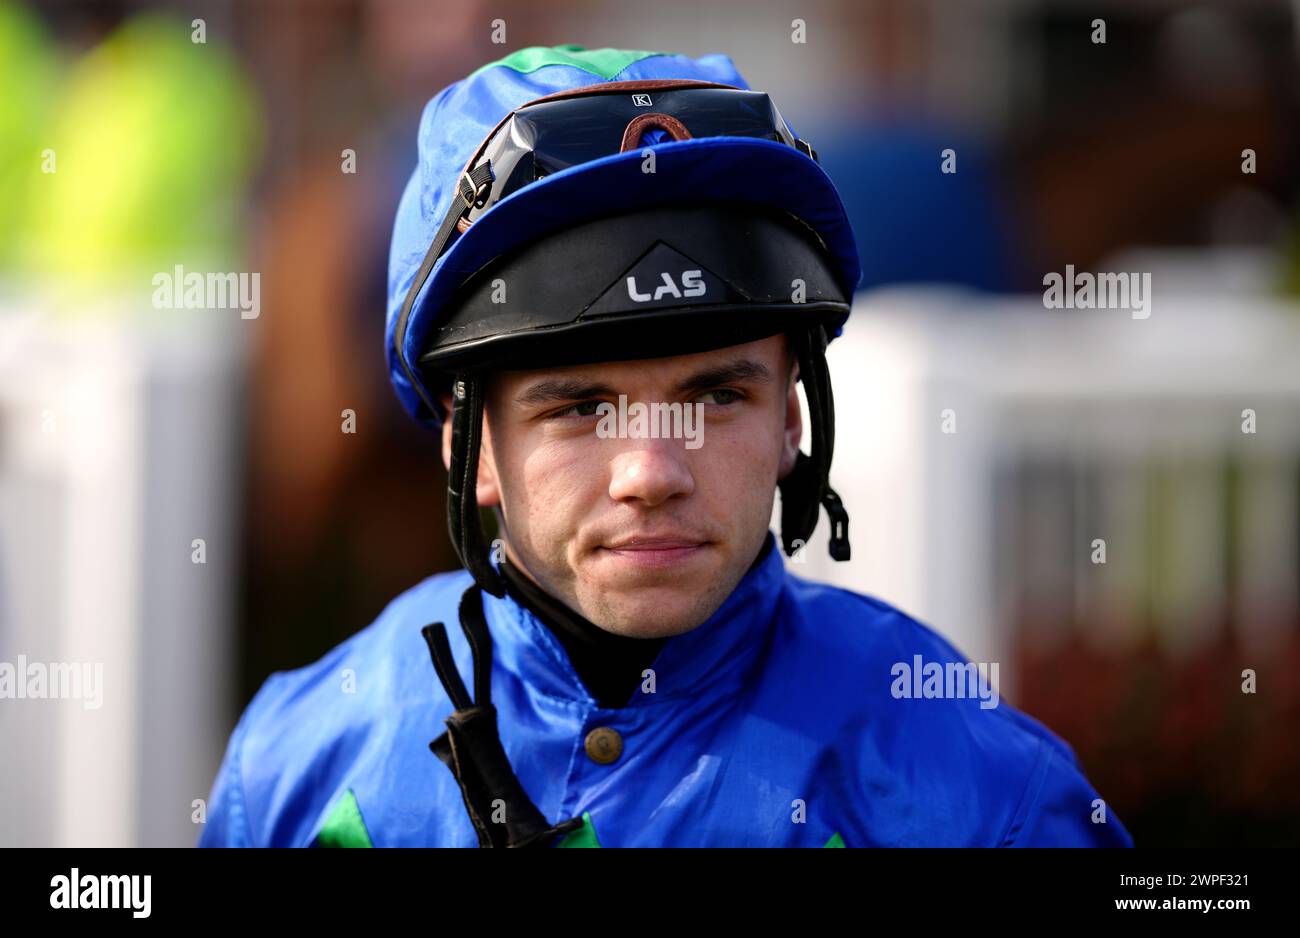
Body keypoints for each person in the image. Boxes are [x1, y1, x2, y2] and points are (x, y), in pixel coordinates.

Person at [199, 44, 1133, 848]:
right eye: (579, 409)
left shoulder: (985, 799)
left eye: (718, 396)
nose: (651, 471)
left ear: (791, 419)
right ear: (467, 443)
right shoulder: (295, 763)